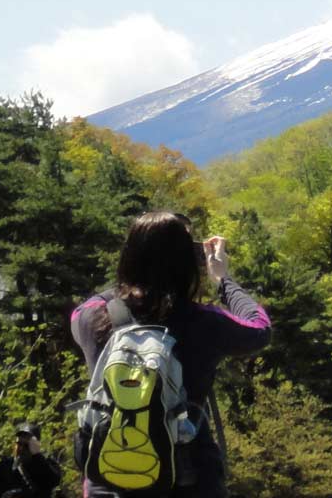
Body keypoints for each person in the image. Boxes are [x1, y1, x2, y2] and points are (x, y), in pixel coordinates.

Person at [70, 212, 271, 497]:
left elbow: (91, 304)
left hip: (108, 481)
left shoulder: (91, 318)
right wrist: (222, 279)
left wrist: (135, 271)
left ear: (128, 255)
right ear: (188, 263)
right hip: (190, 479)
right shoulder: (205, 322)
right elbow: (260, 328)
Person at [0, 423, 59, 498]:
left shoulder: (45, 464)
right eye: (19, 444)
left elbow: (54, 481)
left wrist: (37, 456)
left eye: (26, 445)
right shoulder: (3, 467)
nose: (21, 449)